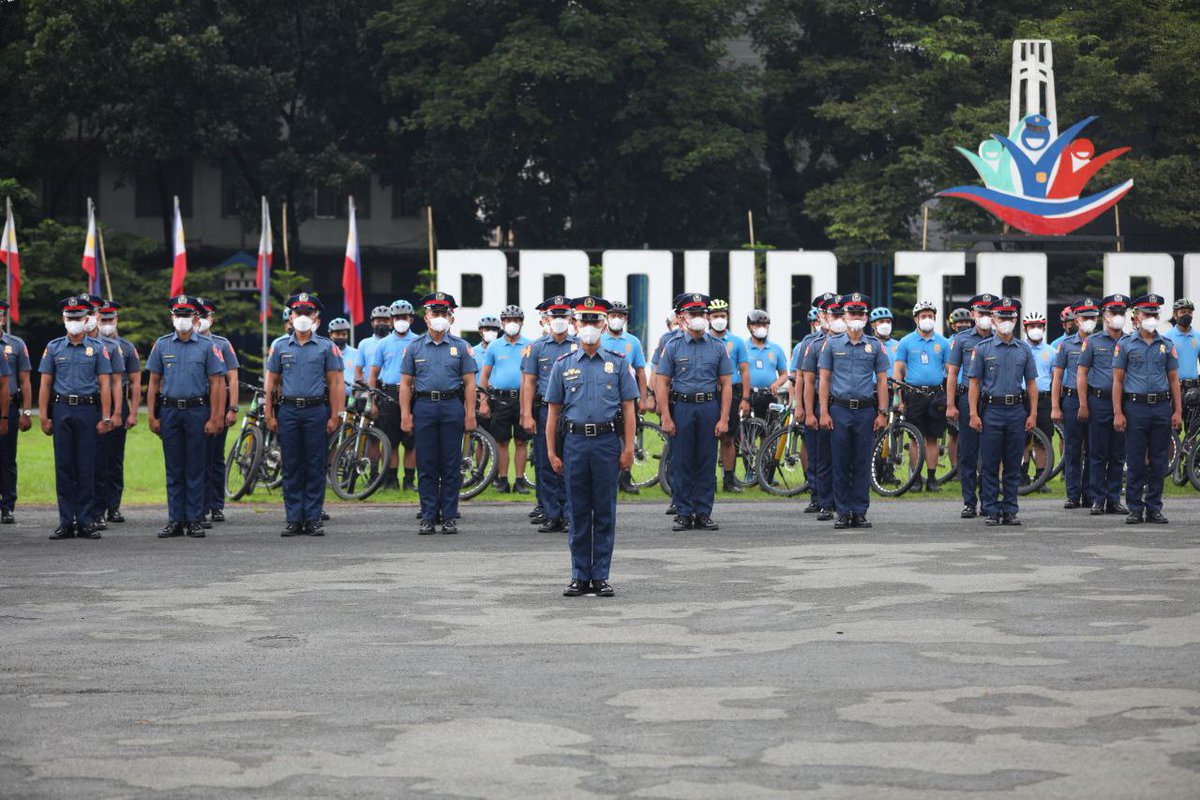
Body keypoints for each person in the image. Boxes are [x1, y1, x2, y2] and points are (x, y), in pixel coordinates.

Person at [546, 296, 638, 597]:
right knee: (578, 511)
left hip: (606, 444)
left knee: (604, 512)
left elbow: (629, 410)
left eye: (594, 322)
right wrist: (551, 451)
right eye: (584, 321)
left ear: (603, 325)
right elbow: (553, 414)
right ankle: (578, 575)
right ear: (575, 324)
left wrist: (628, 449)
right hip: (574, 444)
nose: (589, 327)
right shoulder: (563, 365)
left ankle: (600, 576)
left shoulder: (619, 363)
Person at [145, 296, 226, 538]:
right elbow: (153, 384)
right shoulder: (161, 345)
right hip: (170, 411)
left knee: (195, 467)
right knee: (174, 468)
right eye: (177, 315)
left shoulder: (207, 346)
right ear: (172, 317)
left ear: (195, 318)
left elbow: (217, 383)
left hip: (196, 411)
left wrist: (216, 417)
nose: (182, 320)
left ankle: (194, 519)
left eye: (186, 315)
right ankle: (175, 519)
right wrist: (151, 415)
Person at [264, 292, 343, 537]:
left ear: (316, 317)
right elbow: (271, 383)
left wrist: (335, 415)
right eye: (298, 313)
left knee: (315, 464)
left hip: (316, 410)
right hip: (288, 410)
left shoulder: (327, 347)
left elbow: (336, 383)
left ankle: (313, 518)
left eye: (308, 313)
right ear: (291, 316)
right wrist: (269, 412)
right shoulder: (279, 346)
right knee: (291, 465)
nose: (303, 318)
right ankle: (294, 519)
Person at [400, 292, 477, 534]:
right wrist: (405, 414)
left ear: (451, 318)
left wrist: (470, 413)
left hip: (451, 406)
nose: (440, 318)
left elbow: (470, 383)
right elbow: (405, 384)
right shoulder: (414, 347)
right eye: (435, 313)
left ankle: (449, 516)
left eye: (444, 313)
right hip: (423, 407)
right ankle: (428, 515)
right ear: (426, 317)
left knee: (451, 463)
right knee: (427, 463)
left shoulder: (461, 348)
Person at [655, 292, 732, 531]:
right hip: (683, 407)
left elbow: (727, 384)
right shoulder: (673, 346)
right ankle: (684, 512)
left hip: (709, 406)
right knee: (682, 461)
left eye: (701, 313)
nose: (699, 318)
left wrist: (724, 418)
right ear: (682, 318)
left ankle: (703, 513)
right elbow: (662, 383)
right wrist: (666, 416)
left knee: (707, 462)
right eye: (693, 313)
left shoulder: (718, 347)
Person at [818, 292, 889, 528]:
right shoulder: (832, 344)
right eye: (852, 313)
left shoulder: (875, 346)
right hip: (839, 410)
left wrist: (882, 412)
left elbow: (881, 381)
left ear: (866, 317)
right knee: (840, 462)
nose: (856, 317)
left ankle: (859, 511)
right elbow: (825, 380)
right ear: (845, 315)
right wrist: (824, 412)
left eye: (860, 313)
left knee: (861, 462)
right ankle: (842, 511)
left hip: (866, 411)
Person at [967, 297, 1039, 526]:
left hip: (1016, 410)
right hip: (992, 410)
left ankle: (1009, 509)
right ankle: (990, 508)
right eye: (1001, 318)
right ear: (994, 320)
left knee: (1012, 463)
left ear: (1015, 320)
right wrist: (973, 414)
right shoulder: (982, 349)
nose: (1005, 322)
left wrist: (1033, 413)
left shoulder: (1024, 349)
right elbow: (975, 384)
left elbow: (1031, 384)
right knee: (989, 463)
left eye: (1009, 318)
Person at [39, 297, 105, 539]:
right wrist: (43, 416)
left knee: (86, 466)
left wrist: (106, 416)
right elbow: (45, 384)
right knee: (64, 466)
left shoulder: (97, 348)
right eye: (70, 318)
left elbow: (106, 384)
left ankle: (86, 520)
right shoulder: (54, 347)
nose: (74, 322)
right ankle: (66, 520)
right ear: (63, 319)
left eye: (78, 318)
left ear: (86, 319)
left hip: (88, 410)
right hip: (62, 409)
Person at [1113, 294, 1182, 524]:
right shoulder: (1125, 345)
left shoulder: (1166, 345)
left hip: (1161, 407)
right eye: (1147, 314)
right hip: (1135, 407)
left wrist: (1177, 411)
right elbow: (1118, 382)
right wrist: (1118, 412)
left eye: (1154, 314)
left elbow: (1174, 381)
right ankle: (1135, 507)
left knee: (1158, 459)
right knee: (1134, 459)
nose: (1151, 318)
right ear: (1137, 316)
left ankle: (1154, 507)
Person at [521, 296, 578, 532]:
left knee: (570, 464)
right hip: (545, 410)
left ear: (570, 319)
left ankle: (569, 514)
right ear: (547, 319)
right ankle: (552, 513)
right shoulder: (536, 347)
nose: (559, 321)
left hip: (573, 411)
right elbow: (529, 382)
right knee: (546, 462)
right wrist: (526, 414)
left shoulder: (579, 345)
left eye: (563, 316)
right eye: (555, 316)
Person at [1077, 293, 1130, 516]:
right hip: (1098, 401)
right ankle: (1097, 498)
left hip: (1125, 403)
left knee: (1118, 454)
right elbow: (1081, 373)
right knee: (1097, 454)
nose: (1117, 316)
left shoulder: (1129, 341)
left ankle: (1113, 499)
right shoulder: (1092, 341)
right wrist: (1083, 404)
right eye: (1113, 313)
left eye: (1121, 313)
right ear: (1104, 316)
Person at [946, 293, 996, 518]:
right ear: (973, 314)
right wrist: (950, 404)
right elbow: (952, 373)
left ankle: (988, 501)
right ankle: (969, 501)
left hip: (993, 400)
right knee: (967, 453)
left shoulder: (1000, 338)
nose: (984, 317)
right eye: (980, 313)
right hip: (967, 398)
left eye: (988, 313)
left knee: (991, 453)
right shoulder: (962, 339)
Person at [893, 300, 951, 492]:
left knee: (933, 438)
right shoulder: (906, 342)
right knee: (915, 438)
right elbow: (898, 372)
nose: (927, 319)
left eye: (931, 316)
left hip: (936, 395)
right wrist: (899, 400)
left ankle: (932, 478)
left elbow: (950, 371)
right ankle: (915, 478)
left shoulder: (943, 343)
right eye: (924, 316)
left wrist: (950, 399)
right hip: (913, 394)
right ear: (916, 318)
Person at [94, 300, 140, 526]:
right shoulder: (91, 345)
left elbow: (135, 381)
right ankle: (97, 507)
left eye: (111, 320)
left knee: (114, 459)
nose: (107, 324)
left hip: (118, 403)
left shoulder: (126, 348)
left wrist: (132, 412)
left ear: (117, 320)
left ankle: (113, 506)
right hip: (94, 402)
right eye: (103, 320)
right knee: (95, 459)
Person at [195, 297, 240, 526]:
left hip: (218, 405)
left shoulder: (222, 344)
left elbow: (232, 376)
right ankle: (198, 506)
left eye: (205, 316)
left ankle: (216, 504)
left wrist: (232, 408)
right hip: (195, 404)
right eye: (198, 315)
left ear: (211, 319)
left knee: (215, 457)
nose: (201, 320)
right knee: (197, 459)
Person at [479, 305, 532, 494]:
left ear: (521, 323)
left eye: (516, 320)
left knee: (521, 441)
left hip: (522, 399)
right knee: (501, 441)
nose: (512, 324)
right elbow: (484, 376)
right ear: (502, 323)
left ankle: (519, 480)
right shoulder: (494, 346)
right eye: (509, 320)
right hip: (499, 399)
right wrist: (483, 400)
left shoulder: (529, 345)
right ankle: (502, 479)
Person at [368, 299, 420, 491]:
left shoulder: (418, 341)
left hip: (413, 395)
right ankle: (390, 481)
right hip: (388, 395)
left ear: (411, 319)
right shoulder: (383, 344)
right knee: (390, 441)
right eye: (397, 317)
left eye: (404, 317)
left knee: (411, 442)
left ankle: (408, 482)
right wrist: (373, 401)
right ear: (391, 320)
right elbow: (373, 375)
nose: (400, 321)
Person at [1051, 298, 1098, 509]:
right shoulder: (1066, 345)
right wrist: (1055, 406)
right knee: (1072, 448)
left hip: (1096, 399)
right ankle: (1072, 494)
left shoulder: (1102, 342)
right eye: (1085, 318)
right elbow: (1057, 377)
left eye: (1092, 318)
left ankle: (1089, 493)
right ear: (1077, 320)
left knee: (1093, 449)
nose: (1089, 321)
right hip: (1070, 400)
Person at [601, 300, 649, 493]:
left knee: (627, 434)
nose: (616, 319)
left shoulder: (633, 342)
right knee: (607, 435)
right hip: (605, 395)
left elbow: (641, 372)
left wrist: (644, 398)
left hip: (628, 396)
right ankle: (609, 476)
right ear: (606, 318)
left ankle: (626, 478)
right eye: (613, 316)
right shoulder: (600, 340)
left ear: (626, 319)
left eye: (620, 316)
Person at [803, 293, 842, 520]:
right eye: (832, 314)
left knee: (844, 457)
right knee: (822, 456)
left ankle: (843, 501)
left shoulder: (858, 342)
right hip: (820, 403)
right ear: (823, 316)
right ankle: (822, 499)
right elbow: (805, 380)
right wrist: (806, 410)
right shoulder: (812, 344)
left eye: (839, 314)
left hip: (845, 404)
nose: (836, 318)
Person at [707, 298, 750, 493]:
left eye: (722, 316)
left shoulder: (737, 342)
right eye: (715, 316)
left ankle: (729, 479)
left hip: (731, 392)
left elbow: (744, 371)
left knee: (728, 438)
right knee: (708, 438)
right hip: (709, 392)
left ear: (728, 317)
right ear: (708, 317)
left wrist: (745, 398)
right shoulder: (704, 339)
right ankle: (709, 479)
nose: (719, 319)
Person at [0, 300, 32, 524]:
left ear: (3, 318)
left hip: (8, 407)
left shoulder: (16, 344)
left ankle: (7, 506)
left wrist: (27, 412)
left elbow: (25, 380)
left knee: (7, 459)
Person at [1022, 310, 1056, 487]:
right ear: (1025, 328)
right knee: (1022, 439)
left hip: (1044, 399)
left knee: (1043, 441)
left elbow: (1054, 376)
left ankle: (1041, 477)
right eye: (1032, 326)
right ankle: (1022, 473)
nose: (1036, 329)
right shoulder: (1019, 348)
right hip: (1022, 398)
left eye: (1039, 326)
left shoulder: (1051, 351)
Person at [1162, 298, 1199, 437]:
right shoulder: (1167, 337)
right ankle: (1174, 459)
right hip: (1174, 389)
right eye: (1183, 312)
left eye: (1189, 312)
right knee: (1173, 430)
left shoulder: (1198, 337)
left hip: (1194, 389)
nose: (1186, 315)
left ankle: (1192, 459)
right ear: (1175, 314)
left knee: (1193, 430)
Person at [744, 309, 789, 419]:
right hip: (748, 395)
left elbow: (784, 374)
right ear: (749, 326)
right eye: (757, 325)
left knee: (769, 432)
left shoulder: (776, 349)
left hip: (769, 395)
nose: (761, 328)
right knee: (746, 431)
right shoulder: (743, 347)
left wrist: (776, 384)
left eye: (764, 325)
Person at [355, 305, 394, 384]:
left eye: (385, 321)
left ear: (391, 323)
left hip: (391, 389)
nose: (382, 324)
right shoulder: (364, 344)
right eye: (378, 321)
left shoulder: (396, 342)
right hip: (371, 389)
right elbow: (358, 371)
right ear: (372, 323)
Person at [327, 318, 356, 395]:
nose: (340, 337)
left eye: (344, 334)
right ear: (330, 335)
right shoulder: (325, 353)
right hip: (330, 398)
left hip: (350, 400)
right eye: (337, 334)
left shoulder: (356, 353)